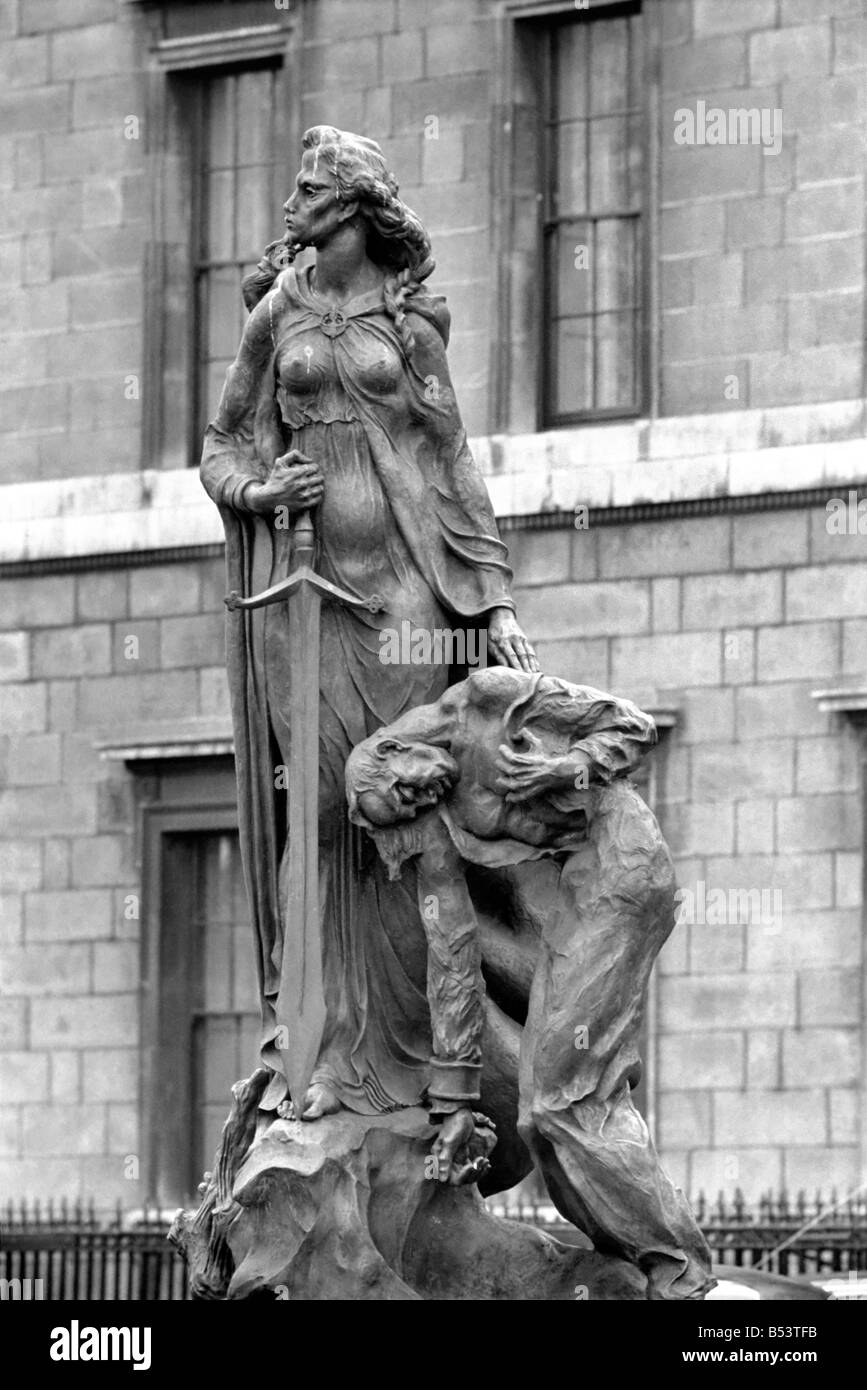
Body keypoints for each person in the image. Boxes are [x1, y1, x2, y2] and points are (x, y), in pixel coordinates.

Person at [200, 127, 537, 1121]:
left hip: (406, 601)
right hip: (303, 608)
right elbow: (220, 445)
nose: (292, 204)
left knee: (397, 823)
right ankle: (313, 1058)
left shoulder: (410, 322)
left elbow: (453, 465)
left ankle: (420, 1075)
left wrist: (499, 603)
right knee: (315, 821)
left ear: (352, 206)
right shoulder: (276, 315)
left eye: (309, 190)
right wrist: (263, 490)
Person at [345, 667, 715, 1300]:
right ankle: (643, 1261)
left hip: (624, 866)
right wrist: (456, 1101)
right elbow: (452, 951)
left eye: (405, 794)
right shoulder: (435, 822)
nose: (418, 802)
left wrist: (562, 768)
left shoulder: (491, 699)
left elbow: (634, 727)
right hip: (580, 889)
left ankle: (679, 1270)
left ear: (394, 750)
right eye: (407, 810)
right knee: (541, 1114)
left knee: (560, 1100)